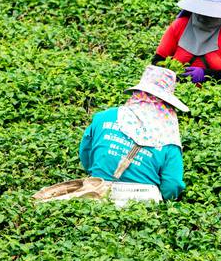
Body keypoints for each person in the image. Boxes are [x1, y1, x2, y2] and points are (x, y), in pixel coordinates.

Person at [78, 66, 187, 201]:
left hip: (97, 193)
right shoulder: (169, 137)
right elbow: (172, 185)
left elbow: (86, 154)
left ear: (137, 93)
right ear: (166, 103)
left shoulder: (103, 117)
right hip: (143, 204)